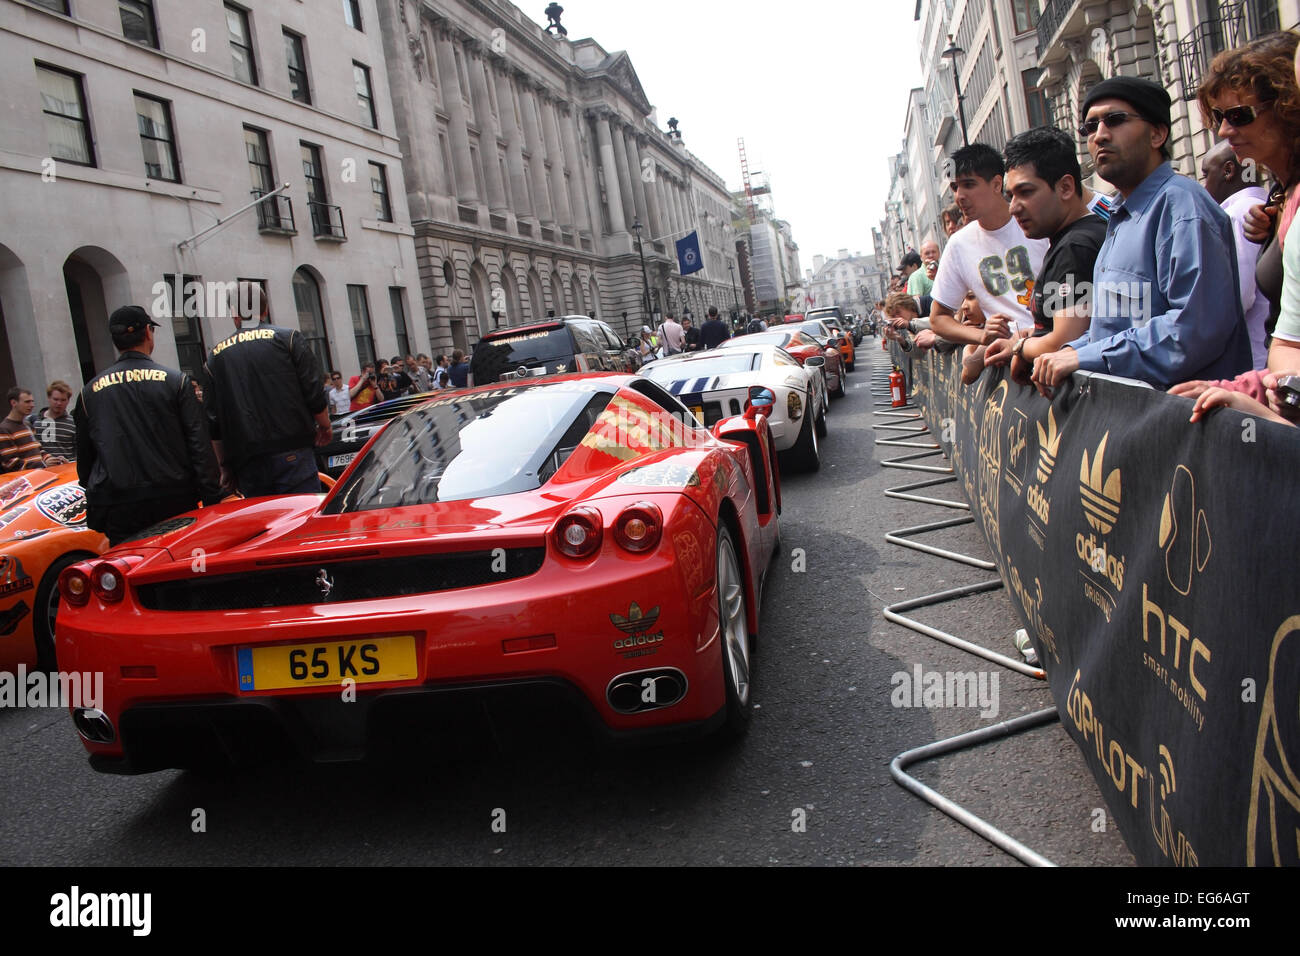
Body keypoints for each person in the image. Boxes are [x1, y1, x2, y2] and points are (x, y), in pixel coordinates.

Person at [1032, 77, 1251, 392]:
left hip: (1186, 423)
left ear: (1157, 134)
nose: (1100, 135)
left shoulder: (1182, 207)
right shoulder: (1119, 217)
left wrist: (1085, 357)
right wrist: (1072, 352)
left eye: (1115, 120)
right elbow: (1111, 328)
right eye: (1090, 127)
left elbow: (1192, 331)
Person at [73, 306, 222, 545]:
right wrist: (211, 500)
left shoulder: (89, 392)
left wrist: (98, 499)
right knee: (177, 569)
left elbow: (85, 458)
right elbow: (199, 446)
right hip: (174, 500)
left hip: (120, 506)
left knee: (131, 571)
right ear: (148, 333)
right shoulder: (176, 382)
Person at [984, 126, 1108, 392]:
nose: (1013, 207)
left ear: (1065, 187)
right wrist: (1023, 339)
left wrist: (1020, 348)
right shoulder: (1068, 239)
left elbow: (1063, 342)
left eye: (1025, 192)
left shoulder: (1077, 246)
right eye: (1010, 195)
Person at [927, 143, 1049, 381]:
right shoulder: (959, 244)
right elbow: (938, 319)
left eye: (969, 185)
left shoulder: (1040, 222)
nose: (959, 196)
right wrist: (981, 337)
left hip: (1052, 351)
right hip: (1007, 369)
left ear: (996, 184)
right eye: (955, 187)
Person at [204, 282, 331, 497]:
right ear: (265, 310)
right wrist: (324, 425)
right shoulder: (288, 339)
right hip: (292, 450)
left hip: (248, 461)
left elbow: (214, 421)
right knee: (301, 519)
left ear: (234, 314)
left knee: (267, 525)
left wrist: (225, 466)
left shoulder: (215, 357)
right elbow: (313, 390)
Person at [1202, 140, 1270, 369]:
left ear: (1228, 171)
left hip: (1251, 361)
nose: (1203, 185)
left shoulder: (1238, 213)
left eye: (1205, 174)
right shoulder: (1261, 205)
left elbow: (1237, 296)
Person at [23, 380, 77, 464]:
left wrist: (70, 463)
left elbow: (81, 451)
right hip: (42, 471)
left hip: (67, 470)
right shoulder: (34, 421)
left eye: (63, 400)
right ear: (48, 398)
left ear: (68, 401)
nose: (59, 403)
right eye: (55, 399)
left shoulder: (74, 423)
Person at [1, 388, 44, 471]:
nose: (32, 405)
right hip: (25, 479)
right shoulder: (4, 429)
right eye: (27, 402)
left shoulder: (28, 424)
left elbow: (38, 449)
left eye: (32, 401)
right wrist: (42, 465)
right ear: (13, 403)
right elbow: (11, 462)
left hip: (40, 474)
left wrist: (49, 459)